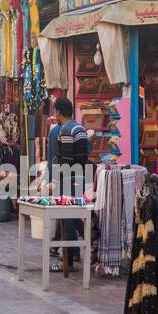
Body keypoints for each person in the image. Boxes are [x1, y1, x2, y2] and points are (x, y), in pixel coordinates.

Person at [47, 96, 92, 272]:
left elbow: (64, 161)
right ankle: (89, 233)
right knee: (72, 214)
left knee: (66, 217)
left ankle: (67, 261)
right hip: (79, 179)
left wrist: (56, 183)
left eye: (55, 111)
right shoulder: (80, 129)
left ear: (58, 112)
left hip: (68, 181)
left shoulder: (64, 131)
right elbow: (85, 155)